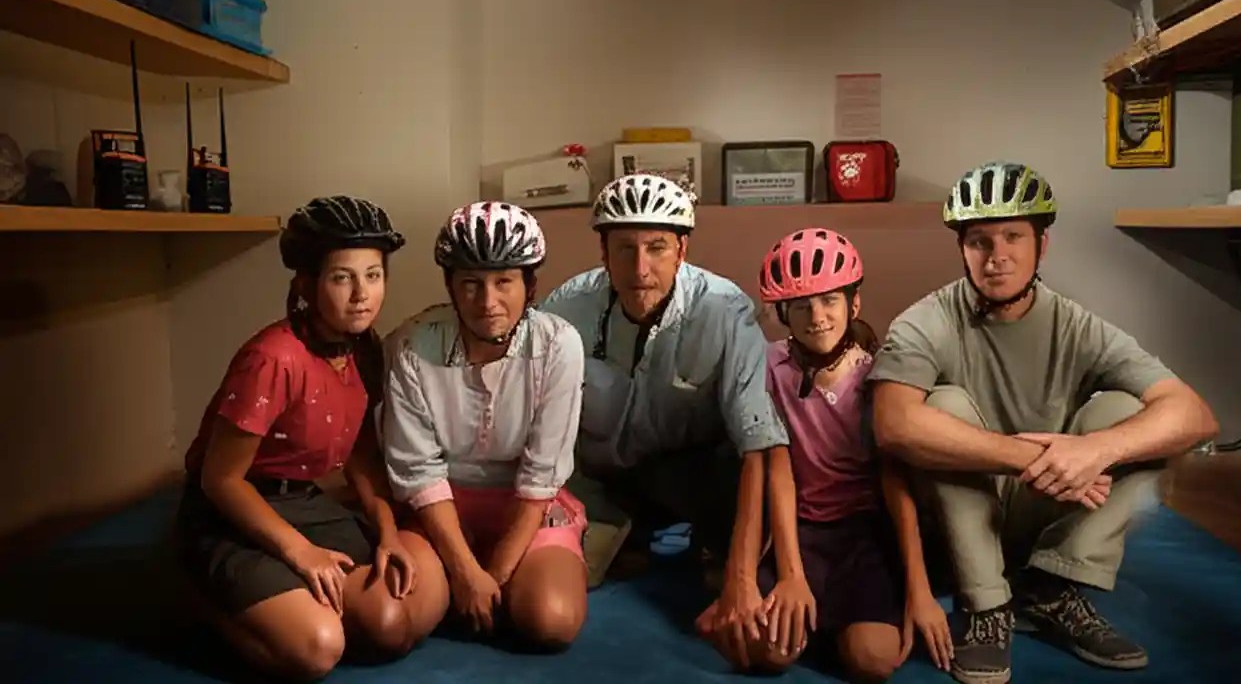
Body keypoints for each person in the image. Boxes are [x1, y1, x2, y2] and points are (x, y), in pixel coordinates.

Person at [867, 161, 1219, 684]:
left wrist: (1095, 450)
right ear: (962, 249)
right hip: (958, 522)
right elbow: (893, 425)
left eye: (1013, 236)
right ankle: (986, 606)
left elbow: (1194, 413)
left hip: (1047, 506)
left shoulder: (1075, 324)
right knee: (939, 409)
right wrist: (1032, 456)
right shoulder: (927, 320)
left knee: (1129, 417)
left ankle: (1052, 584)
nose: (997, 256)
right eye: (980, 241)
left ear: (1042, 245)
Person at [174, 195, 449, 682]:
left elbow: (362, 458)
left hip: (304, 504)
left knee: (399, 618)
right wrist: (300, 552)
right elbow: (221, 480)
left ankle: (291, 603)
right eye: (342, 277)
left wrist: (387, 533)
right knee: (319, 650)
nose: (361, 293)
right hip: (232, 511)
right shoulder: (272, 358)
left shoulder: (364, 349)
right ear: (307, 283)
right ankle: (202, 597)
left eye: (374, 274)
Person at [540, 173, 792, 655]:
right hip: (597, 476)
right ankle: (622, 538)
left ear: (682, 250)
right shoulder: (566, 309)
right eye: (625, 249)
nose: (640, 268)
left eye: (656, 248)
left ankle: (712, 546)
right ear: (603, 253)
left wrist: (741, 579)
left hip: (688, 474)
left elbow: (760, 439)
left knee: (731, 479)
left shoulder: (725, 308)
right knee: (556, 596)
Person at [698, 227, 954, 681]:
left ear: (853, 304)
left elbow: (896, 482)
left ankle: (833, 619)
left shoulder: (878, 374)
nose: (817, 316)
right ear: (784, 314)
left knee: (873, 661)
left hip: (863, 534)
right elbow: (777, 471)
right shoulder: (769, 368)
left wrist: (920, 590)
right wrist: (790, 575)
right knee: (768, 653)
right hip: (795, 527)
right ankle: (760, 594)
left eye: (830, 301)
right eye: (801, 306)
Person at [379, 201, 589, 649]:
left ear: (530, 285)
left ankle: (551, 557)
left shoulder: (558, 345)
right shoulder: (411, 345)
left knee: (550, 622)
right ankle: (465, 573)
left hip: (525, 506)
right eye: (471, 284)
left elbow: (540, 477)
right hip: (441, 508)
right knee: (388, 624)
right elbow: (418, 473)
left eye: (504, 282)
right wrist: (463, 571)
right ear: (450, 286)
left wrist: (488, 579)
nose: (488, 301)